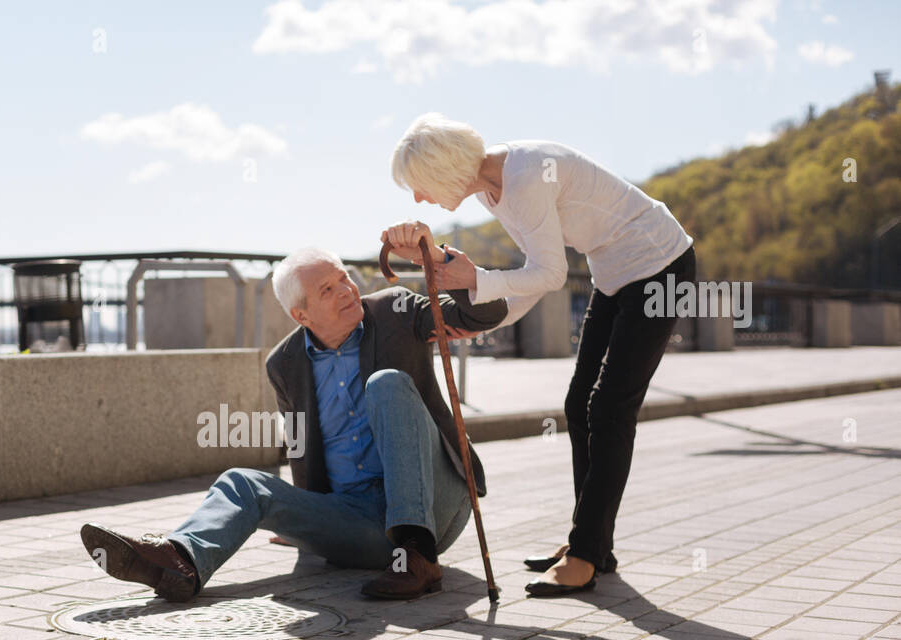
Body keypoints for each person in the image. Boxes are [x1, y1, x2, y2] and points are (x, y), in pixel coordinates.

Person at [81, 240, 506, 602]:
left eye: (343, 277)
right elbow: (302, 448)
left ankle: (417, 555)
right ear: (302, 316)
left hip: (436, 505)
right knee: (242, 481)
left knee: (386, 383)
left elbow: (483, 316)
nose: (346, 290)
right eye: (327, 289)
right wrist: (301, 519)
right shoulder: (284, 363)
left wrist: (445, 264)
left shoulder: (395, 310)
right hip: (359, 522)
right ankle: (180, 562)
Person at [388, 113, 697, 596]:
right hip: (618, 275)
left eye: (421, 185)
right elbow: (532, 280)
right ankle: (594, 543)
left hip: (661, 266)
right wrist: (473, 320)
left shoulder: (525, 175)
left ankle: (585, 553)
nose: (419, 199)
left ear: (444, 169)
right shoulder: (497, 189)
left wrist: (475, 280)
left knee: (609, 408)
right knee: (580, 405)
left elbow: (550, 274)